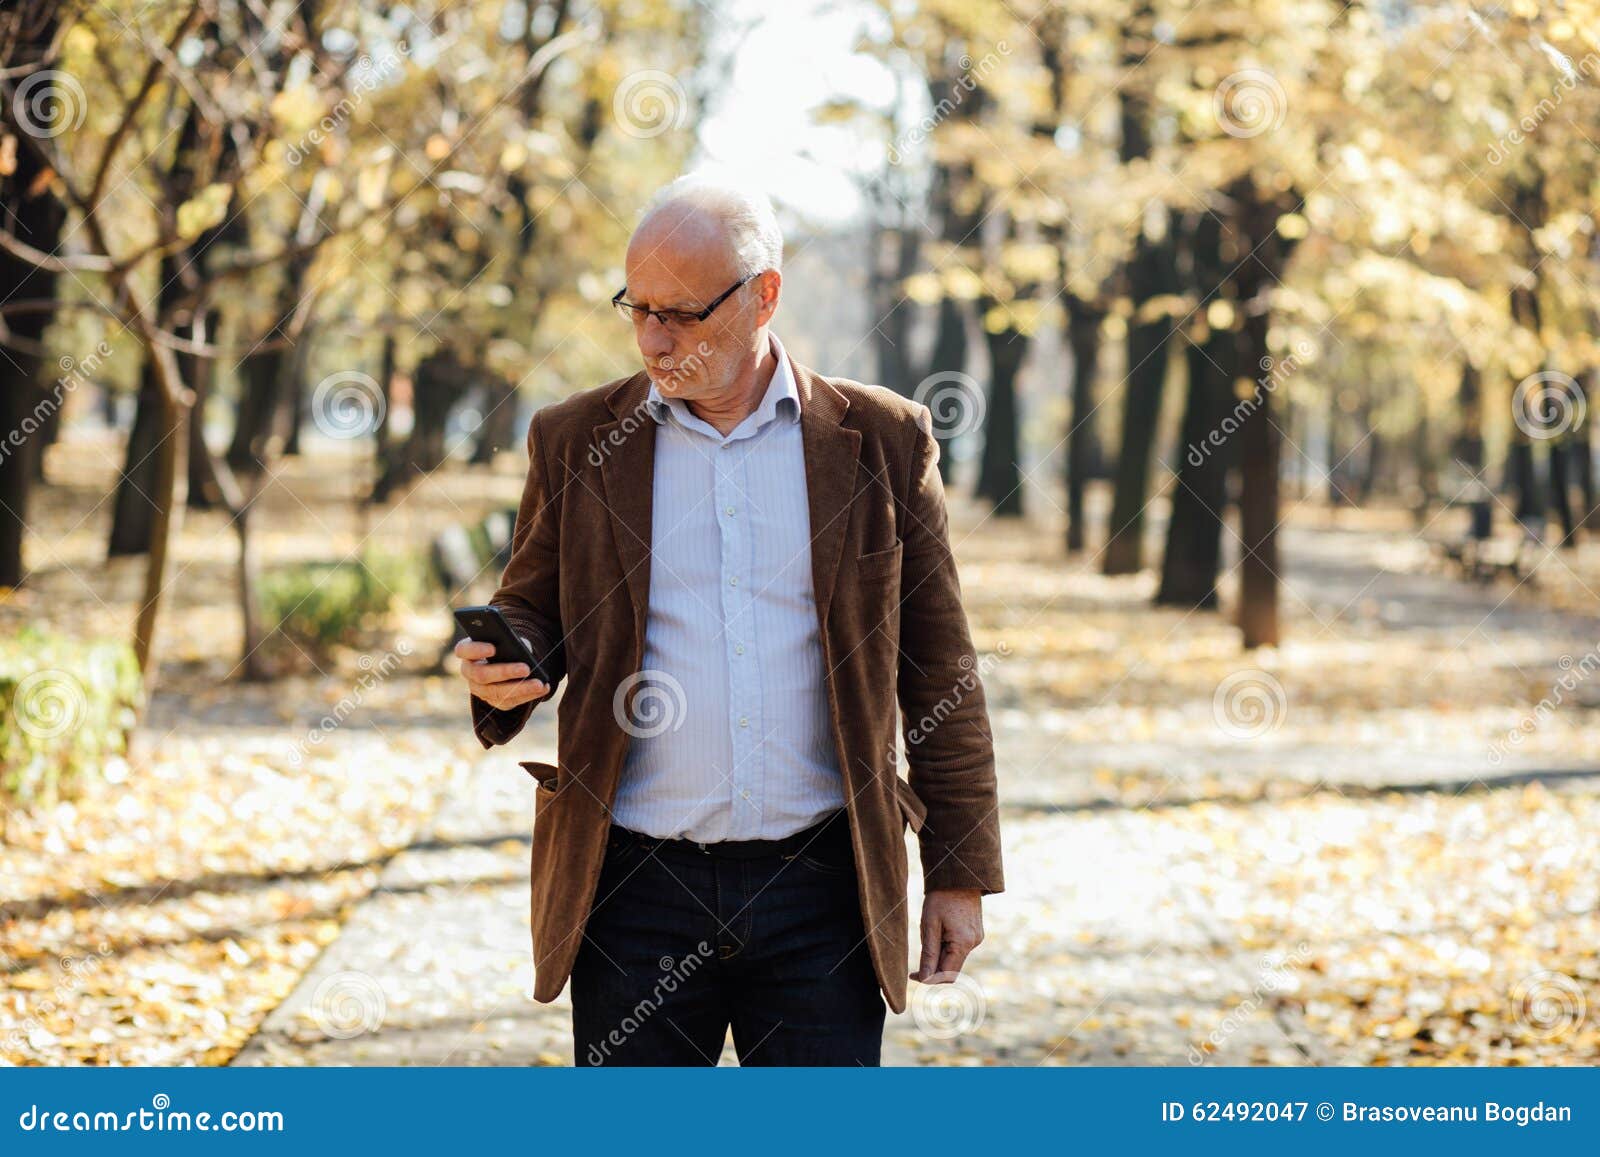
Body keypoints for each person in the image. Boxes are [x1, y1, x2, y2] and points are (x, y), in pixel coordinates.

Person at [459, 171, 1003, 1066]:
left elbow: (941, 667)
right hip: (631, 888)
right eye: (637, 309)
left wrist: (960, 869)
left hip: (823, 890)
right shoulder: (576, 439)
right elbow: (533, 606)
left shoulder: (883, 441)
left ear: (764, 297)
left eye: (680, 314)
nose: (653, 338)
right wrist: (508, 660)